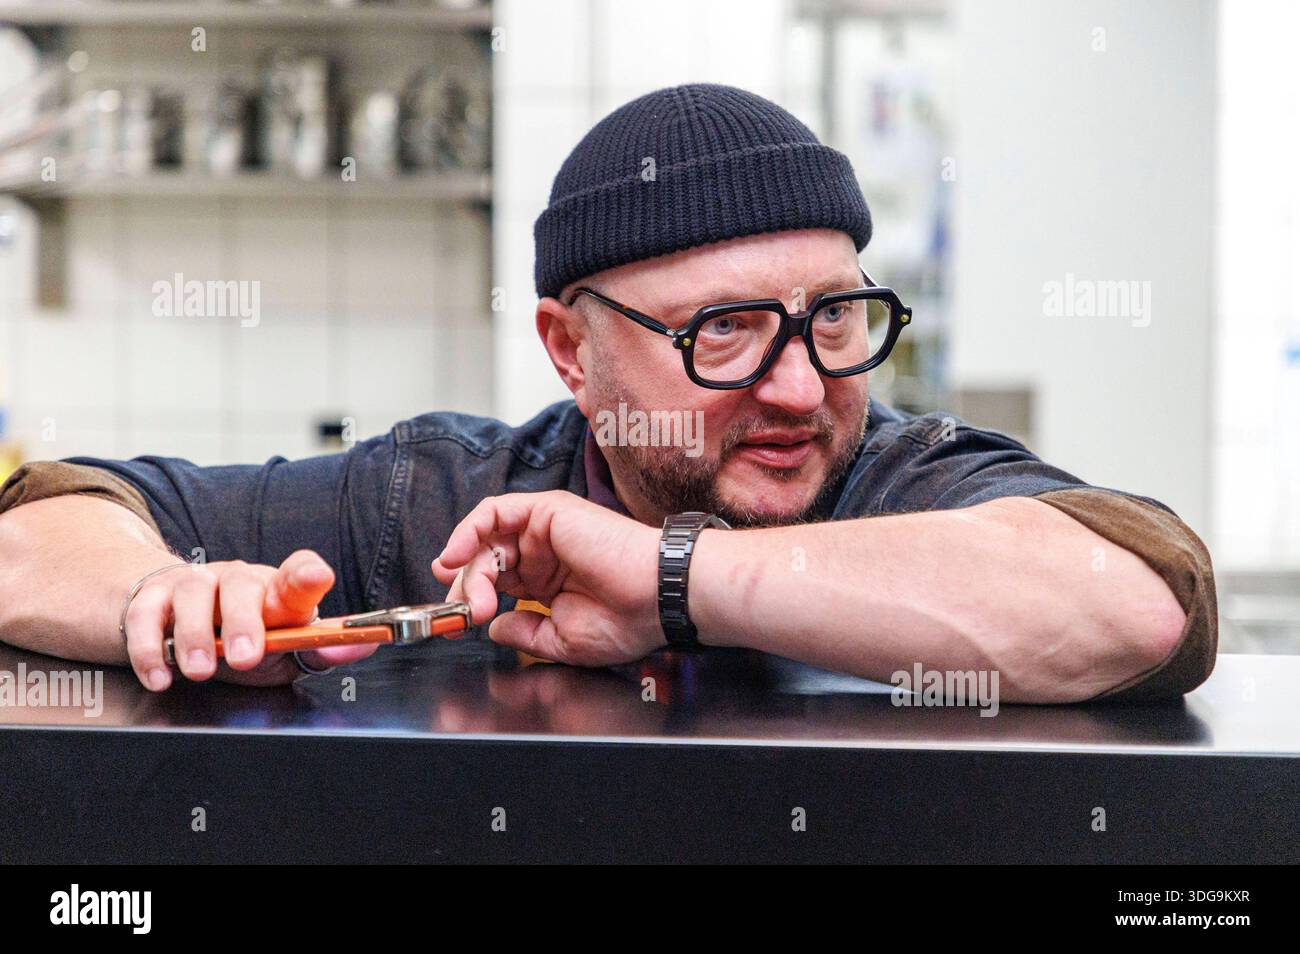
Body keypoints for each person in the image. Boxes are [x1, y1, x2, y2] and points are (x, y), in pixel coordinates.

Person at [0, 84, 1214, 701]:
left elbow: (1144, 603)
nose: (800, 386)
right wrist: (163, 598)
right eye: (725, 332)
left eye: (833, 316)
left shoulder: (907, 480)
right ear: (570, 352)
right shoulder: (433, 502)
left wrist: (671, 581)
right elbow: (39, 524)